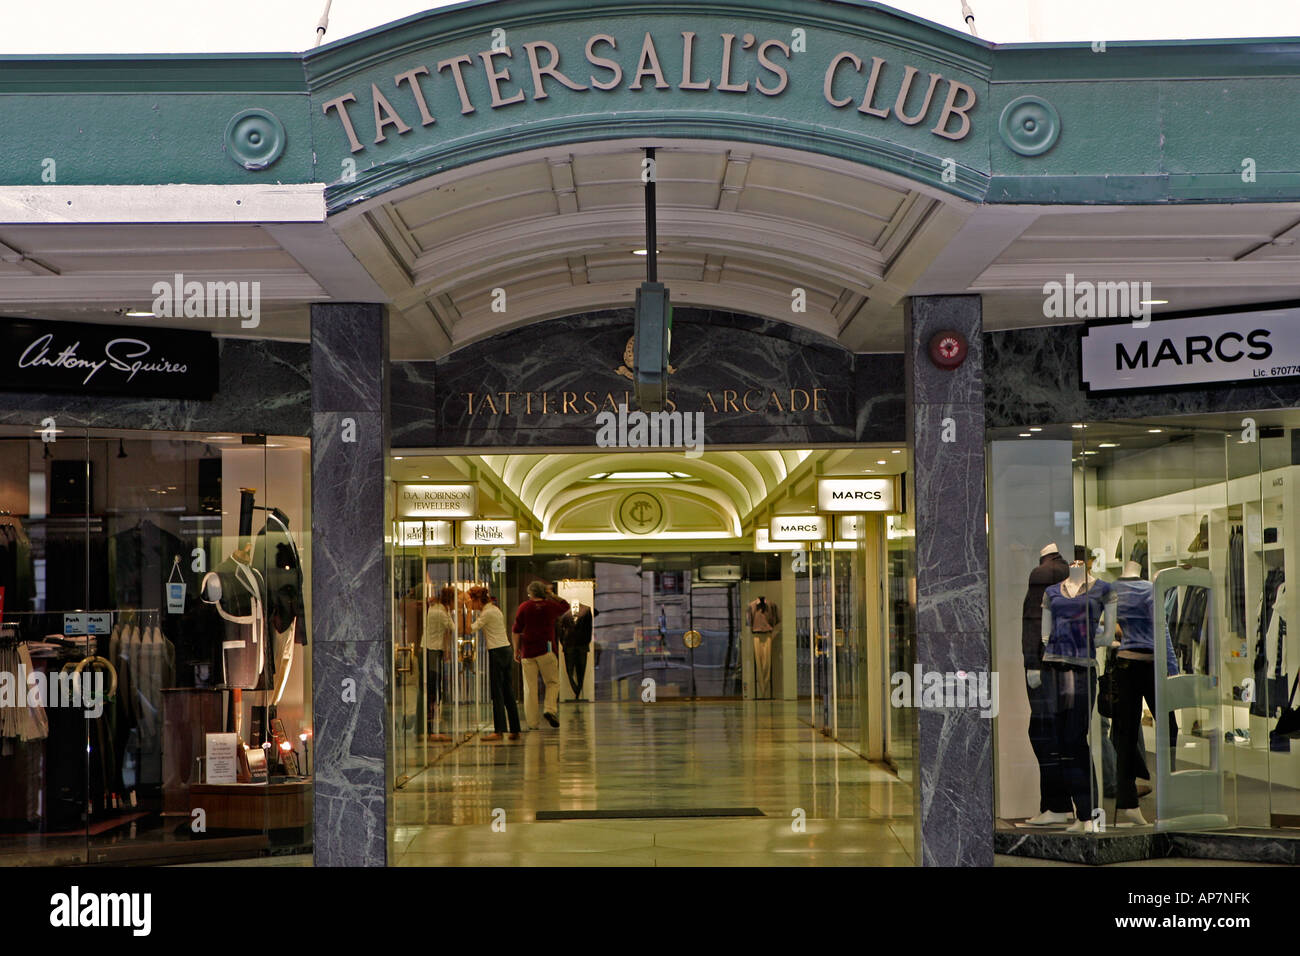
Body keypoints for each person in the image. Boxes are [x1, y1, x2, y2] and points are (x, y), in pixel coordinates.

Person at [512, 580, 569, 729]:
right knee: (552, 682)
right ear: (544, 592)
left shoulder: (524, 607)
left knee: (530, 688)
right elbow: (566, 606)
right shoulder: (550, 606)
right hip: (546, 649)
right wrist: (552, 594)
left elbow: (516, 630)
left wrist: (516, 650)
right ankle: (549, 709)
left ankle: (532, 723)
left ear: (530, 593)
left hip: (527, 651)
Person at [469, 586, 519, 740]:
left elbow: (470, 629)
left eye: (471, 601)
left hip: (497, 652)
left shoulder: (487, 613)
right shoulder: (495, 609)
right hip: (505, 649)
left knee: (497, 691)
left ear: (478, 600)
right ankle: (514, 728)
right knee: (507, 691)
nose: (471, 604)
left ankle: (499, 730)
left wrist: (463, 611)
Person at [424, 584, 455, 742]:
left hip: (432, 650)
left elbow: (446, 633)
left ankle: (432, 727)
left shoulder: (435, 608)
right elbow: (453, 627)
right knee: (433, 689)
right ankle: (431, 729)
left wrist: (447, 651)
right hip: (433, 651)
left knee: (434, 688)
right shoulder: (442, 613)